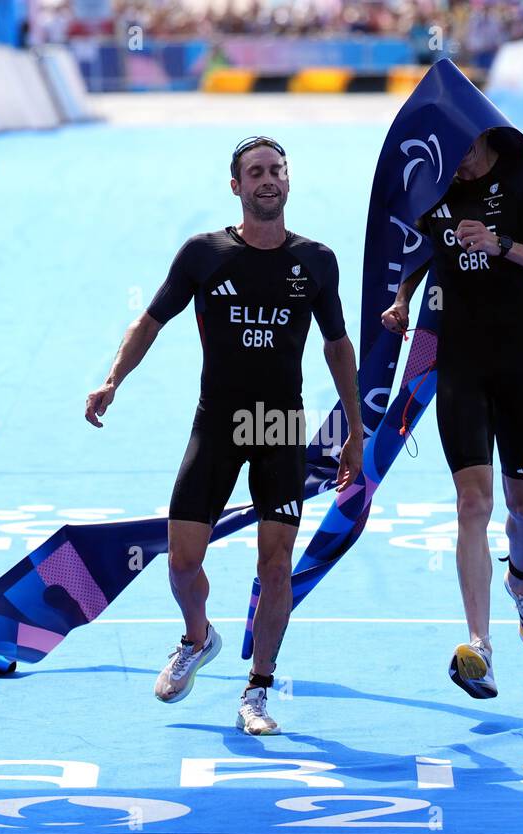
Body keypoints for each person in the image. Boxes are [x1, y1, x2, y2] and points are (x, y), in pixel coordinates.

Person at [85, 136, 364, 734]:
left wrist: (355, 429)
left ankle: (258, 691)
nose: (268, 179)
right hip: (217, 421)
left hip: (280, 425)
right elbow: (150, 322)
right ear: (236, 187)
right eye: (255, 172)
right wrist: (113, 381)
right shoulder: (203, 254)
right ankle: (196, 637)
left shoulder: (316, 260)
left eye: (277, 171)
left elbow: (338, 346)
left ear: (288, 183)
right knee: (182, 563)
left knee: (276, 564)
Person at [381, 128, 523, 700]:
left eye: (464, 149)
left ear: (487, 136)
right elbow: (419, 253)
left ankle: (521, 578)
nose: (457, 164)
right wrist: (400, 300)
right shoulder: (435, 186)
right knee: (473, 502)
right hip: (459, 366)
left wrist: (503, 246)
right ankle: (480, 648)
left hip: (520, 364)